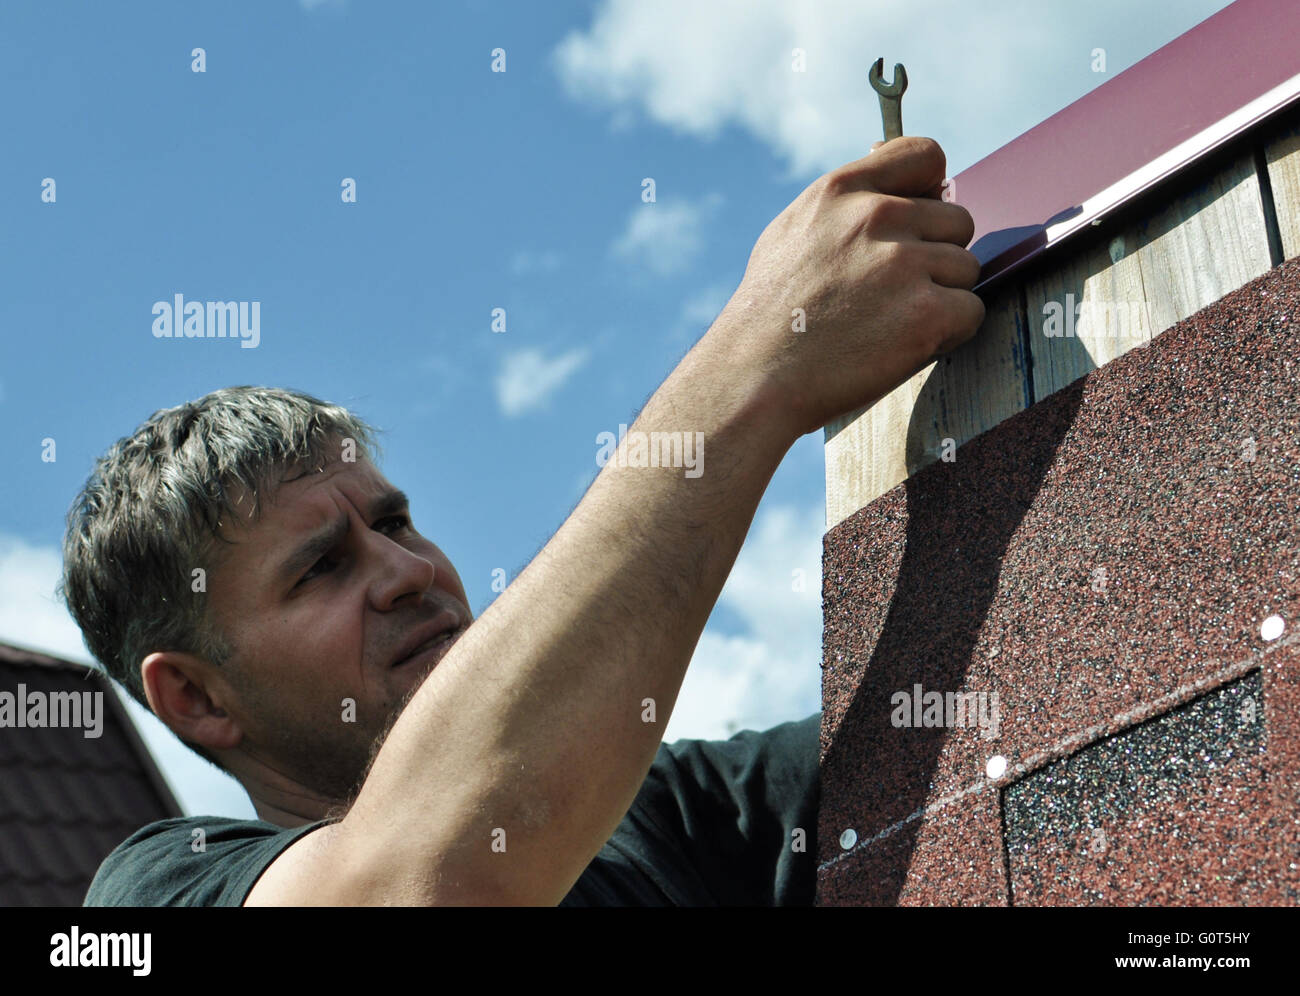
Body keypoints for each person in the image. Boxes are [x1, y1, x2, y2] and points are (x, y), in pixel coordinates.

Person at [70, 137, 982, 906]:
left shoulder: (673, 813)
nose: (407, 572)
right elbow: (423, 888)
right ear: (195, 697)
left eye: (395, 523)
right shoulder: (158, 890)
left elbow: (1002, 733)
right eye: (320, 569)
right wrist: (760, 363)